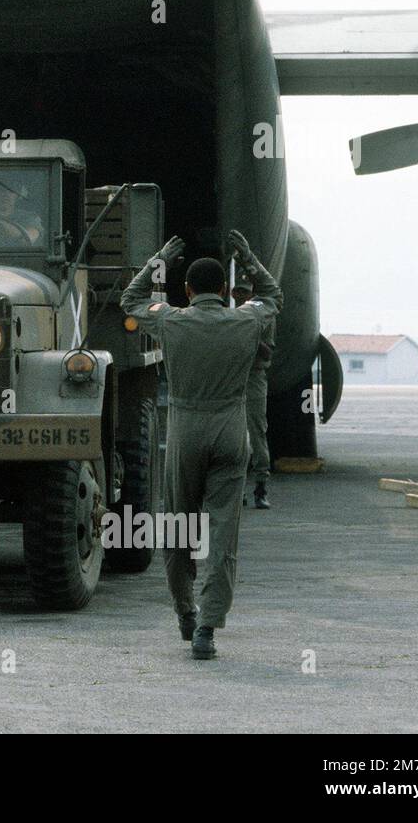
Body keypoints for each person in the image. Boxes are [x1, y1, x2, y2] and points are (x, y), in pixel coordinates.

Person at [120, 232, 281, 660]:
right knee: (223, 533)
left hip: (185, 429)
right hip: (231, 428)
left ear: (187, 291)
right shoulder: (247, 319)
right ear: (226, 290)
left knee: (178, 528)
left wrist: (159, 261)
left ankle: (185, 612)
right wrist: (248, 256)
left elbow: (130, 300)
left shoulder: (170, 319)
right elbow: (272, 294)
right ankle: (208, 628)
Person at [231, 273, 275, 508]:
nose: (241, 296)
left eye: (245, 292)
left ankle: (261, 486)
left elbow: (268, 352)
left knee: (257, 432)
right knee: (231, 436)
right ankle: (236, 489)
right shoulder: (228, 316)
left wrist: (250, 333)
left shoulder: (263, 318)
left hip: (254, 376)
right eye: (238, 291)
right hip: (232, 377)